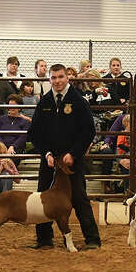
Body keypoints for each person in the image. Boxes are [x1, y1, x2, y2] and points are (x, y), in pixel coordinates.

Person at [27, 63, 101, 250]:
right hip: (50, 160)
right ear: (49, 79)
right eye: (54, 77)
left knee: (78, 197)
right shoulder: (44, 102)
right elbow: (34, 133)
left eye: (61, 77)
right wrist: (47, 153)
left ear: (67, 77)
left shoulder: (78, 101)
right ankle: (44, 238)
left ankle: (92, 239)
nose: (57, 81)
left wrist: (74, 154)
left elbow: (88, 131)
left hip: (71, 161)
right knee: (43, 197)